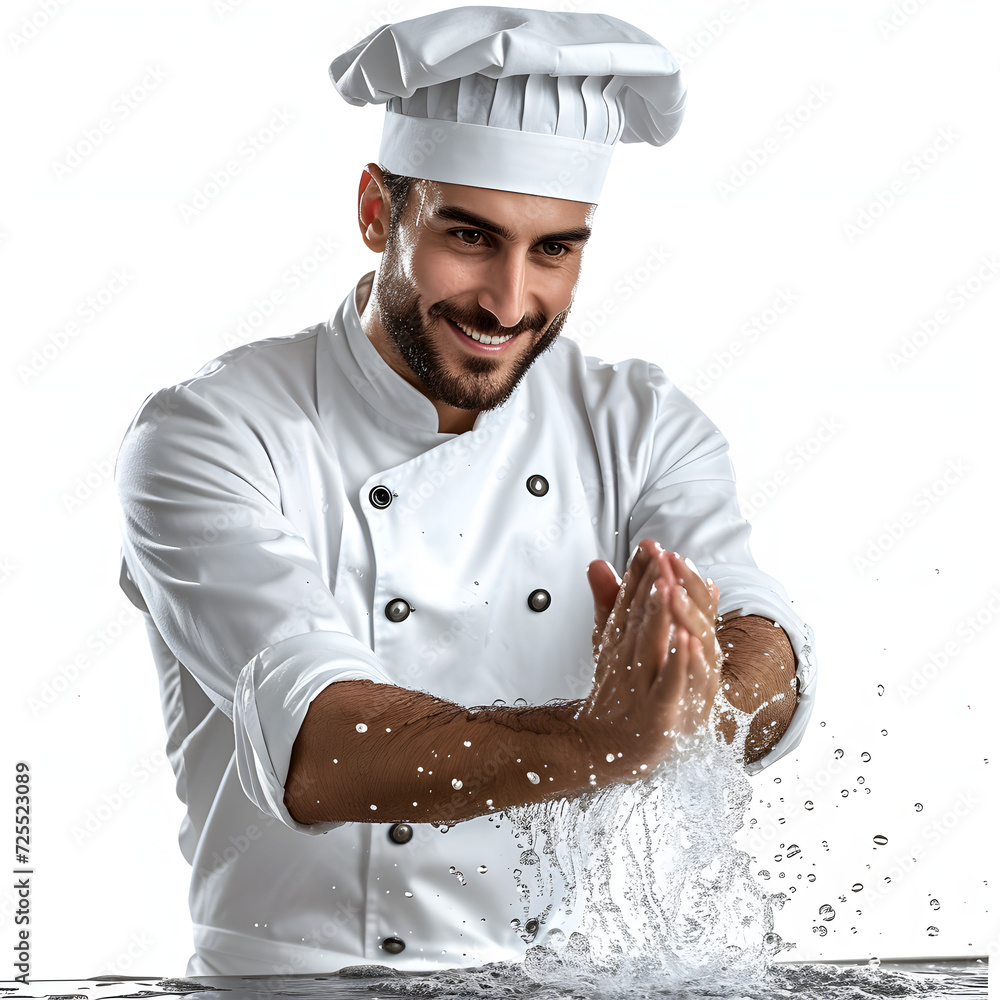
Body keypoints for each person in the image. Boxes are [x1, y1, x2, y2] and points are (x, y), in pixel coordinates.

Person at [115, 6, 816, 977]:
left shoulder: (637, 419)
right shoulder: (213, 430)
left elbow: (760, 634)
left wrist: (699, 692)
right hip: (285, 986)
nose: (508, 299)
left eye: (554, 249)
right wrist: (604, 738)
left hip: (549, 980)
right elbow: (323, 748)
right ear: (376, 211)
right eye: (469, 236)